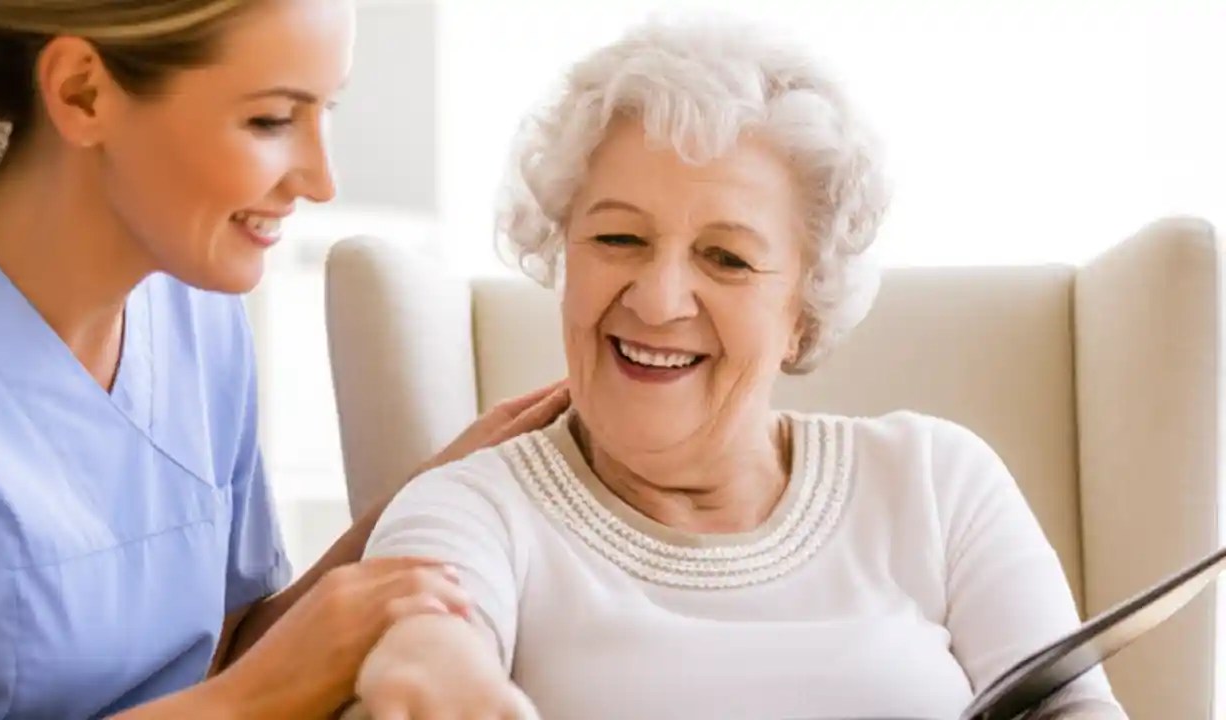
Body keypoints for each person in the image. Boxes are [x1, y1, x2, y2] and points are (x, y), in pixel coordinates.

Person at [348, 17, 1129, 720]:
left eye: (726, 258)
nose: (656, 301)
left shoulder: (937, 479)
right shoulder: (475, 506)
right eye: (618, 240)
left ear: (803, 311)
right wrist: (435, 664)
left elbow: (1073, 712)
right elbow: (418, 659)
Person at [0, 0, 567, 717]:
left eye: (327, 109)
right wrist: (252, 697)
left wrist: (425, 499)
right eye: (272, 120)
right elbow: (245, 692)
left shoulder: (199, 318)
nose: (322, 180)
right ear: (83, 91)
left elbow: (222, 656)